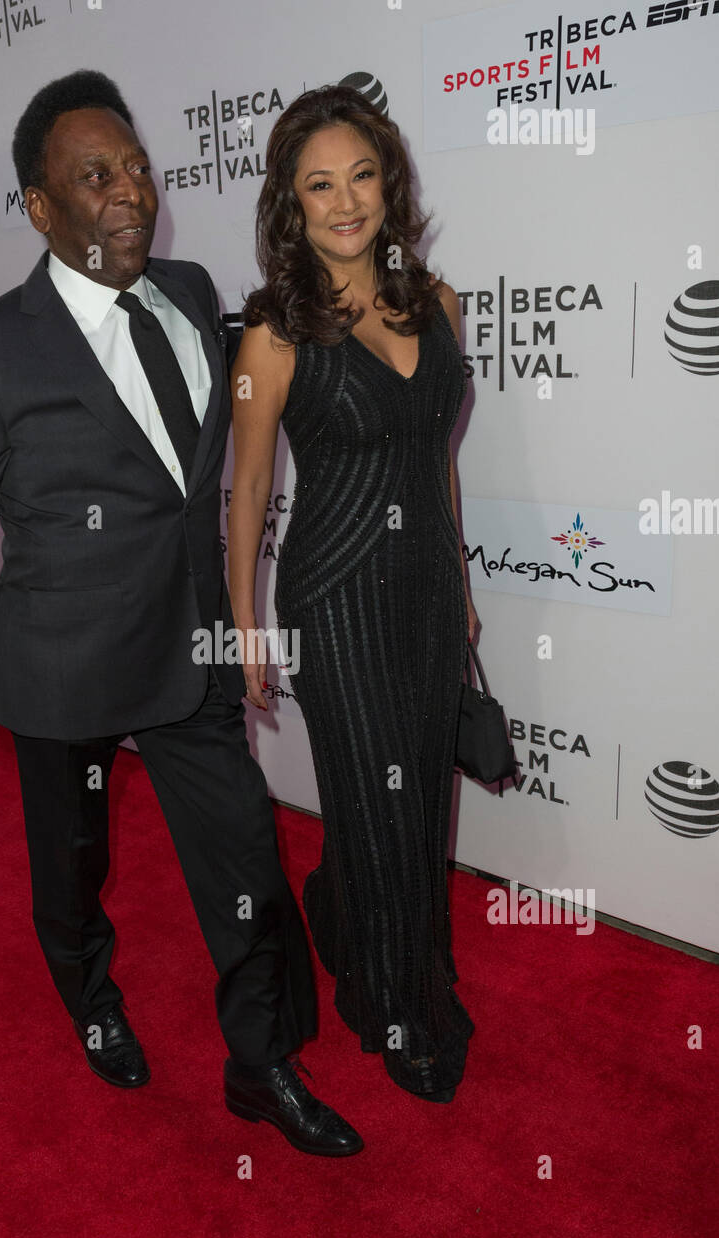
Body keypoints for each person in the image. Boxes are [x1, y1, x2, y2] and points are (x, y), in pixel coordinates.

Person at [0, 70, 363, 1157]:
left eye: (139, 168)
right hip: (64, 667)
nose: (131, 192)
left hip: (190, 644)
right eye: (95, 176)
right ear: (40, 207)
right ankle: (90, 995)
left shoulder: (196, 291)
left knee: (246, 854)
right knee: (72, 868)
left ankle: (261, 1064)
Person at [228, 85, 477, 1102]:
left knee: (423, 800)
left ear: (390, 183)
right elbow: (245, 491)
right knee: (379, 807)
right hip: (335, 597)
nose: (345, 202)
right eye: (318, 183)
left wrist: (459, 580)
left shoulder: (440, 301)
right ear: (292, 203)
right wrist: (245, 626)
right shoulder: (274, 338)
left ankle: (343, 909)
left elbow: (439, 457)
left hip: (421, 593)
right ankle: (397, 1004)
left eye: (361, 176)